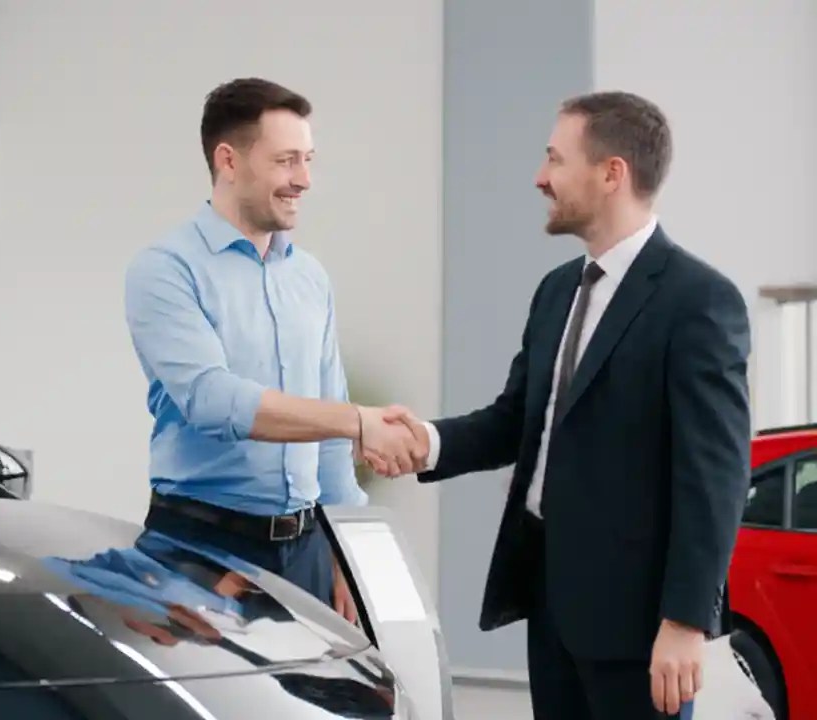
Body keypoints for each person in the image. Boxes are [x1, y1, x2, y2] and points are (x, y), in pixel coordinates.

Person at [373, 91, 752, 718]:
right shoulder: (556, 291)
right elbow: (514, 421)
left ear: (611, 173)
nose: (539, 177)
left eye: (555, 158)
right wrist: (424, 442)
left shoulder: (699, 301)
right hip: (550, 606)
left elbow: (716, 477)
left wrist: (685, 622)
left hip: (640, 629)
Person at [123, 77, 420, 622]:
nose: (303, 179)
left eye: (308, 160)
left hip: (307, 553)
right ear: (228, 161)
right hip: (199, 551)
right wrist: (357, 421)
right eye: (286, 161)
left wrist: (346, 549)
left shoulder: (309, 277)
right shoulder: (166, 270)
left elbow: (329, 432)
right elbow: (213, 401)